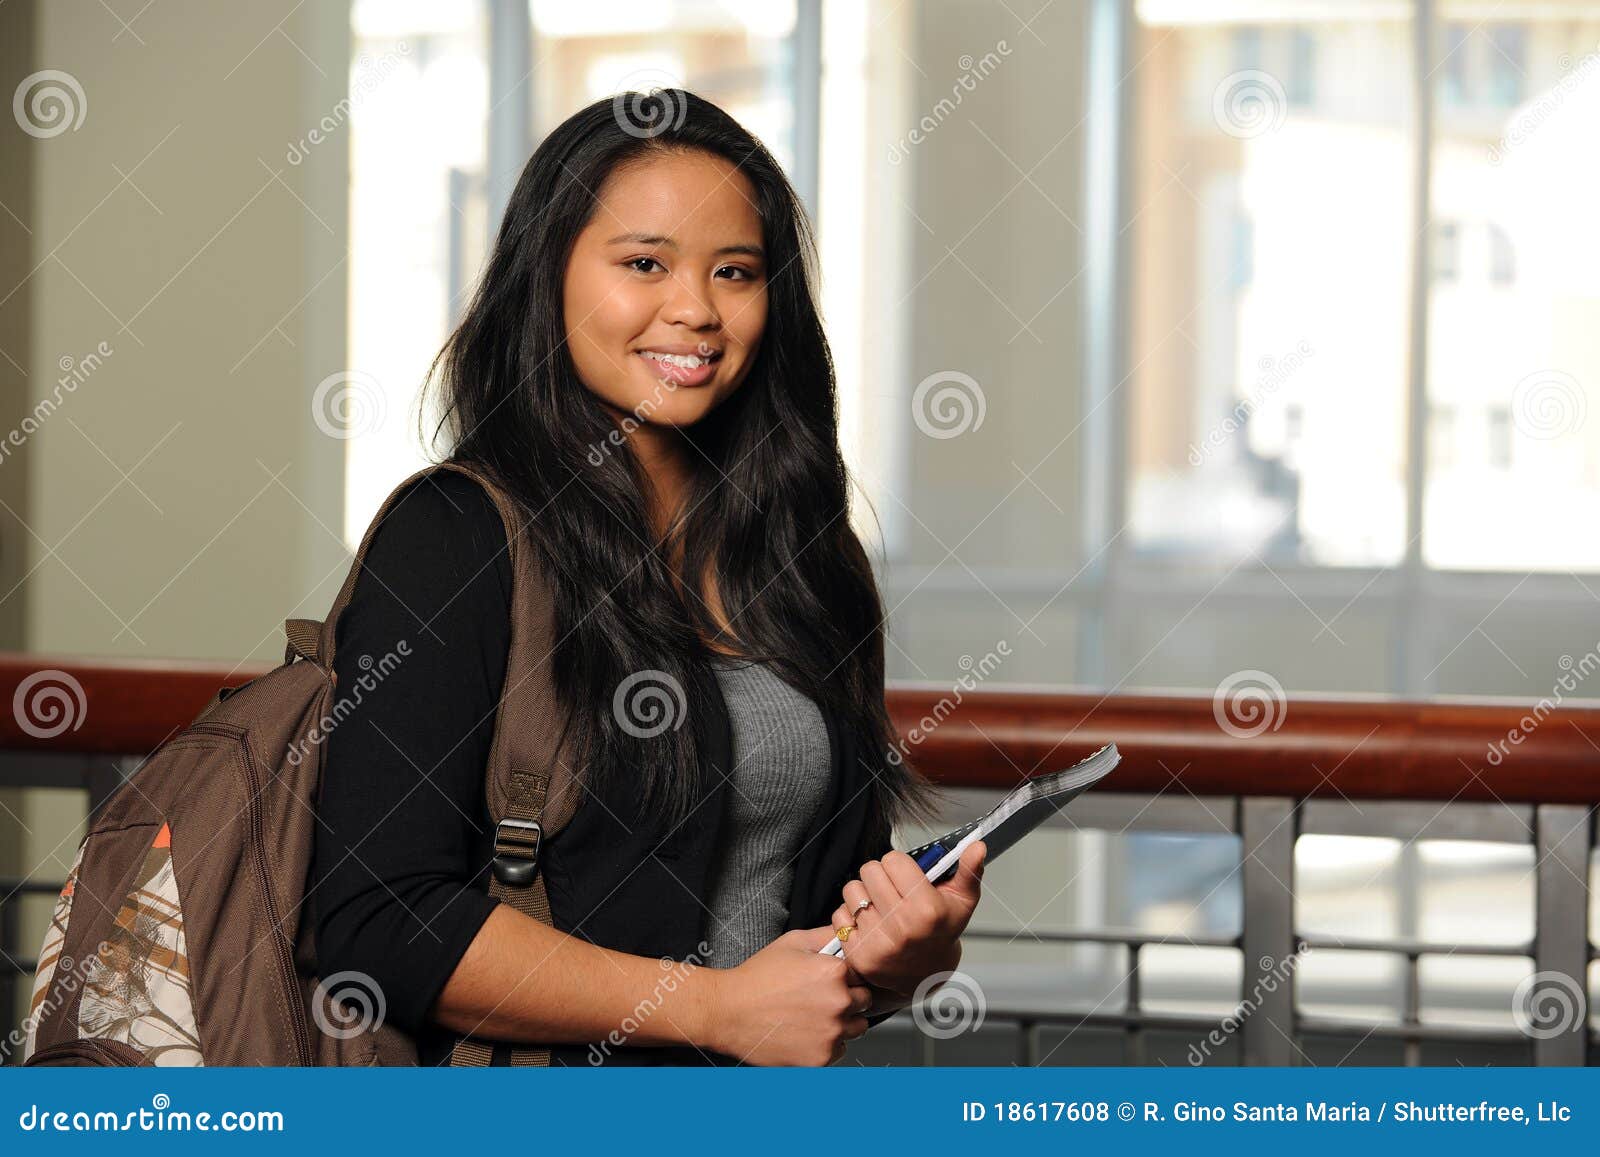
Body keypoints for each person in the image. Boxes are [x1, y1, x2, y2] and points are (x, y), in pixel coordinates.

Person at [309, 89, 988, 1067]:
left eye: (735, 271)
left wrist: (906, 955)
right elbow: (378, 917)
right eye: (644, 264)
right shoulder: (455, 535)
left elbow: (808, 945)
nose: (697, 310)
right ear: (547, 275)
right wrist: (710, 1008)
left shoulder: (804, 554)